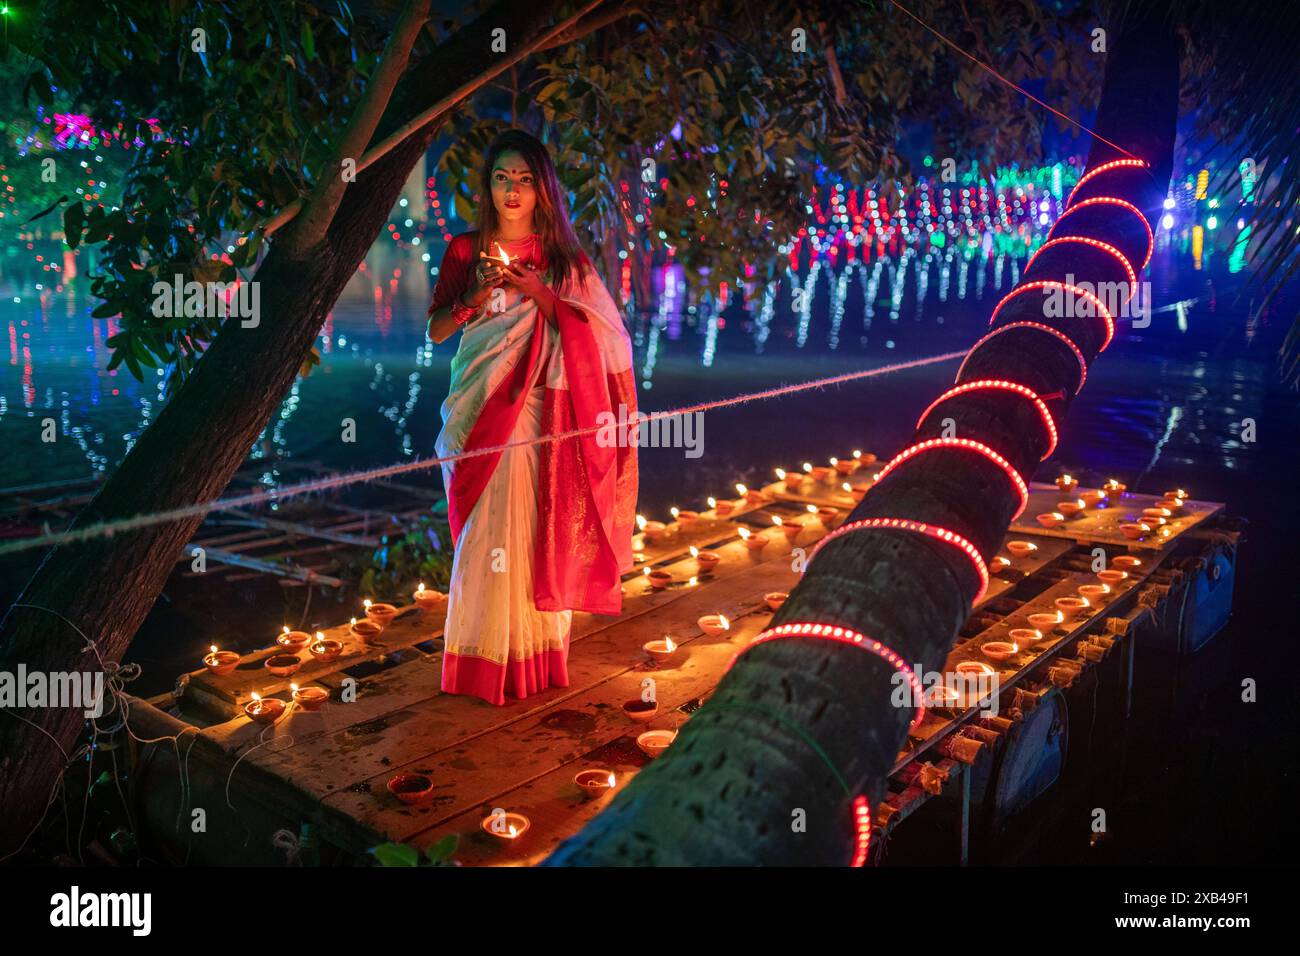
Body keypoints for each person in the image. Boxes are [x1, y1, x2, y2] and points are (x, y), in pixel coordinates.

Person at [425, 129, 638, 706]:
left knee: (530, 528)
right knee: (483, 531)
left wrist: (542, 294)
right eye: (501, 178)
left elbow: (605, 338)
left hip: (539, 413)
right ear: (488, 187)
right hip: (478, 403)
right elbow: (438, 329)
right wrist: (474, 293)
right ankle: (480, 660)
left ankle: (533, 658)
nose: (512, 190)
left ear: (541, 189)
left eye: (524, 179)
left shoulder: (563, 259)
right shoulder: (466, 250)